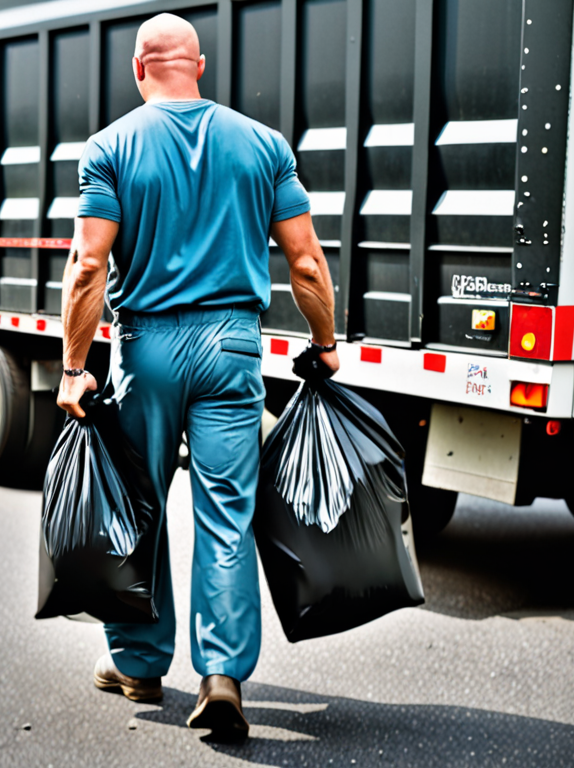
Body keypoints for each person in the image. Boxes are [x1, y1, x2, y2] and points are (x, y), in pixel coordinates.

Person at [56, 13, 340, 742]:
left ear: (139, 68)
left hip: (147, 346)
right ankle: (220, 675)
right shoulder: (263, 144)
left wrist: (73, 368)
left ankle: (142, 664)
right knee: (226, 512)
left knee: (140, 506)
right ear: (200, 66)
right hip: (232, 349)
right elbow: (306, 261)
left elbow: (89, 267)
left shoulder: (111, 147)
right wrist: (325, 342)